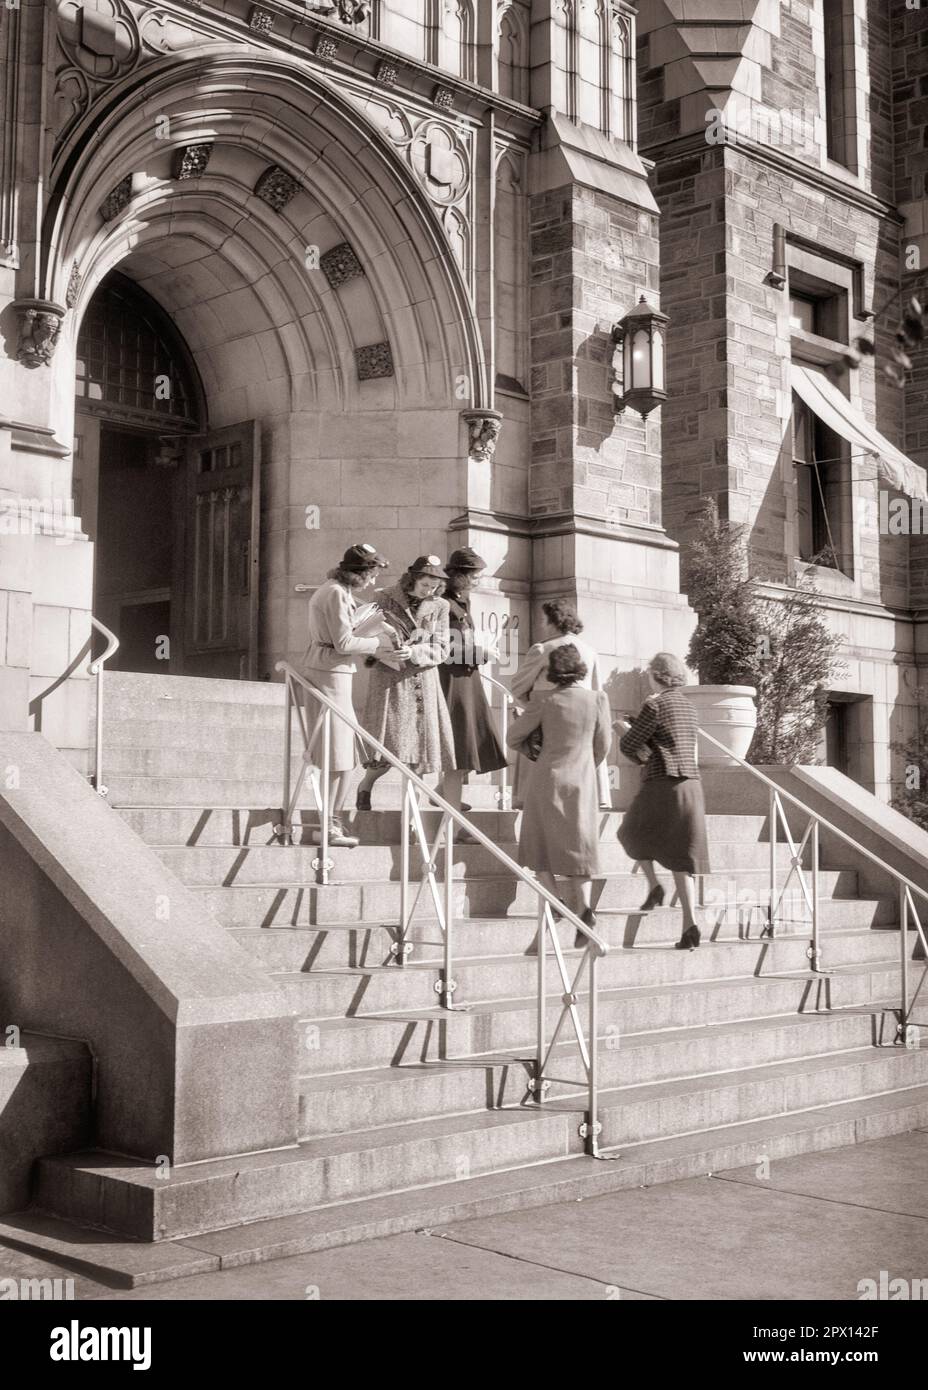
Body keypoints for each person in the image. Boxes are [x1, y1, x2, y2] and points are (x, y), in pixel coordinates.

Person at [507, 644, 612, 949]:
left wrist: (534, 751)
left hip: (547, 781)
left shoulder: (545, 700)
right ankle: (584, 910)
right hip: (582, 782)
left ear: (553, 671)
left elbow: (513, 736)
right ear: (580, 669)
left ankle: (556, 901)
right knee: (580, 851)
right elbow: (603, 745)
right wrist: (584, 763)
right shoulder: (598, 700)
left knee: (539, 850)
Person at [301, 543, 402, 847]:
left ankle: (333, 821)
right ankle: (328, 823)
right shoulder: (333, 592)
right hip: (328, 674)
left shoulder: (338, 591)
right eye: (371, 575)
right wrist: (379, 645)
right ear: (357, 573)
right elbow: (344, 642)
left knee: (345, 757)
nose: (373, 582)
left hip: (335, 673)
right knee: (336, 755)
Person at [616, 651, 710, 950]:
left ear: (657, 675)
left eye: (649, 675)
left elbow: (633, 745)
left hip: (663, 783)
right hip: (691, 786)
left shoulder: (655, 704)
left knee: (629, 833)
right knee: (682, 859)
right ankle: (689, 924)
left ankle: (655, 885)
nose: (647, 680)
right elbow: (668, 738)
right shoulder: (689, 706)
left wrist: (622, 729)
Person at [355, 556, 456, 810]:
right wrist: (383, 649)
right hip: (390, 679)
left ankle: (410, 821)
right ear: (413, 578)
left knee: (417, 754)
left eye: (435, 586)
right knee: (390, 748)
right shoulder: (383, 597)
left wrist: (415, 652)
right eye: (425, 584)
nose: (430, 590)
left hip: (422, 680)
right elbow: (363, 634)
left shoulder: (440, 606)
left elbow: (443, 647)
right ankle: (366, 784)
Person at [509, 598, 612, 811]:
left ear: (553, 621)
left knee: (538, 793)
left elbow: (519, 686)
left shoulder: (543, 649)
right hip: (581, 727)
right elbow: (596, 689)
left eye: (545, 620)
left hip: (544, 725)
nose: (542, 625)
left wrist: (534, 705)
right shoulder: (590, 651)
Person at [436, 548, 507, 823]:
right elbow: (444, 648)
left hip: (467, 679)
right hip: (452, 680)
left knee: (473, 746)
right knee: (460, 755)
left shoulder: (461, 601)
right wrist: (480, 654)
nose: (477, 582)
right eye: (474, 577)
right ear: (459, 575)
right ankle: (452, 824)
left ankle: (444, 796)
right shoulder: (443, 603)